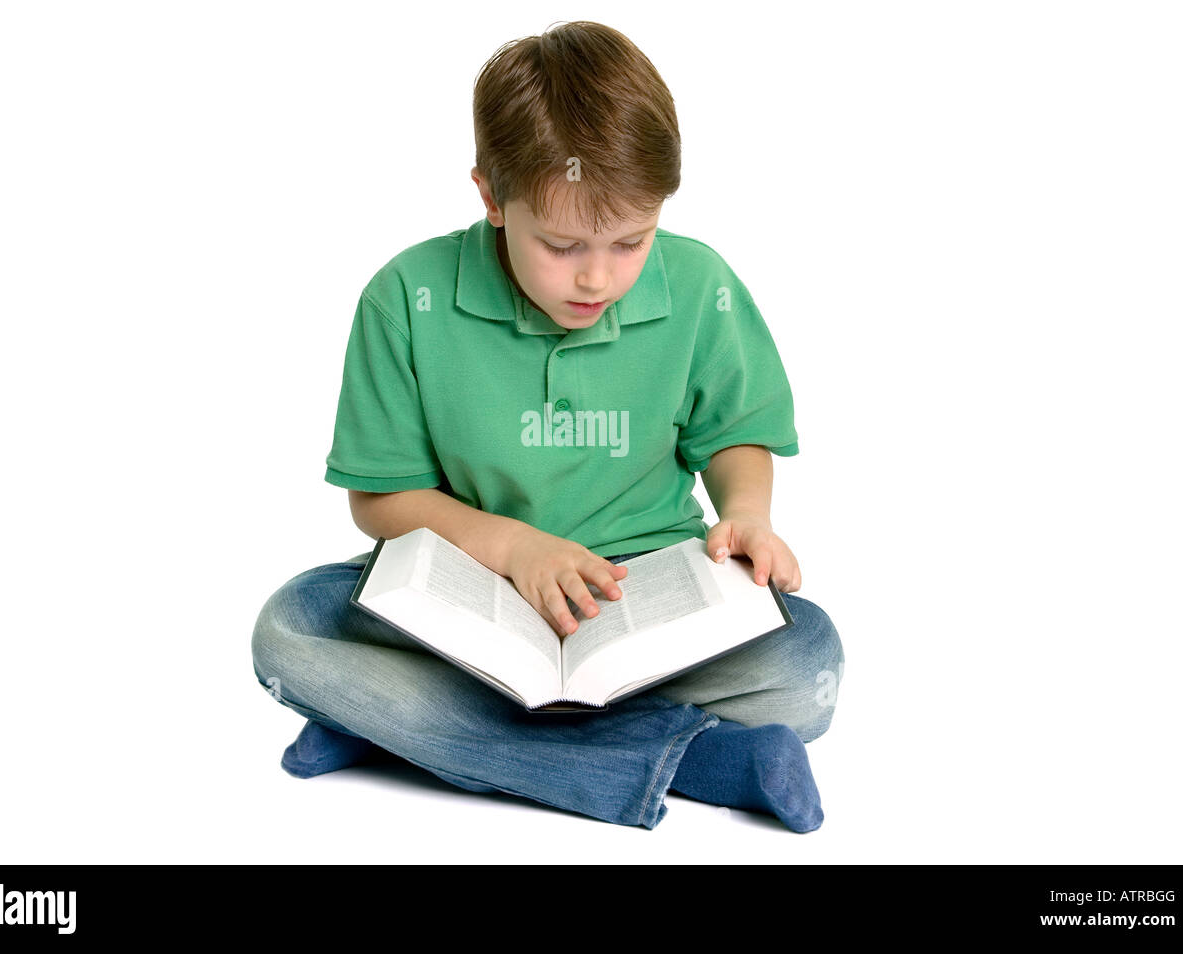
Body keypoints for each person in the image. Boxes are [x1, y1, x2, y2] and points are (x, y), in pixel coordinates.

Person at [250, 20, 844, 832]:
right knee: (292, 626)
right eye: (562, 245)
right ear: (492, 198)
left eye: (632, 241)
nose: (598, 276)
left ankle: (407, 733)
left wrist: (748, 512)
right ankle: (699, 758)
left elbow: (735, 433)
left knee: (807, 660)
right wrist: (514, 549)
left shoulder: (701, 283)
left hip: (646, 602)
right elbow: (381, 501)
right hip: (470, 599)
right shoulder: (404, 297)